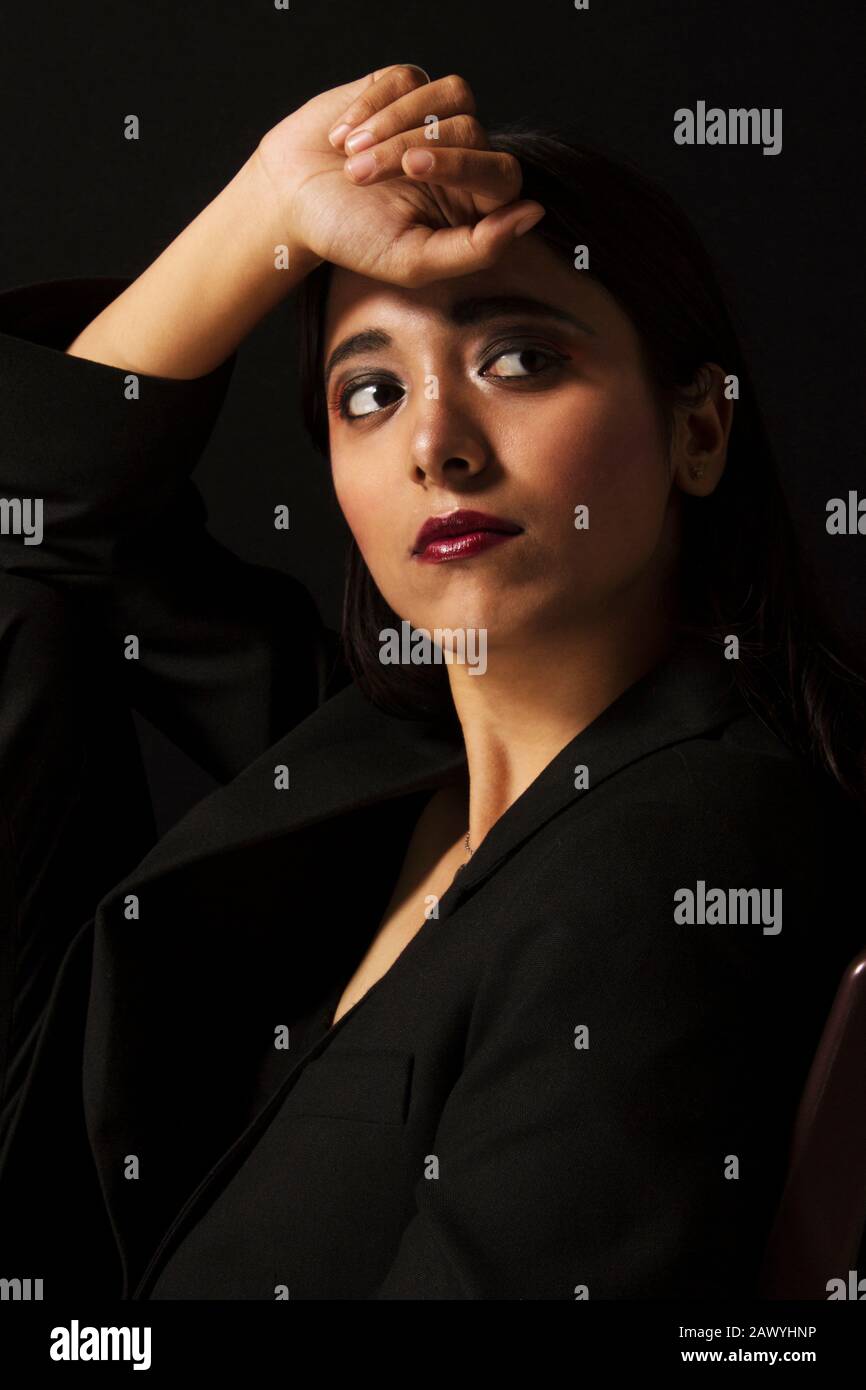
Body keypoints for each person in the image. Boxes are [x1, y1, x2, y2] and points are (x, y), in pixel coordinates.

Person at [0, 63, 864, 1300]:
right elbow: (42, 524)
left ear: (698, 431)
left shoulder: (684, 858)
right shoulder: (378, 756)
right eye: (370, 389)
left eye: (516, 360)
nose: (431, 442)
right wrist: (267, 207)